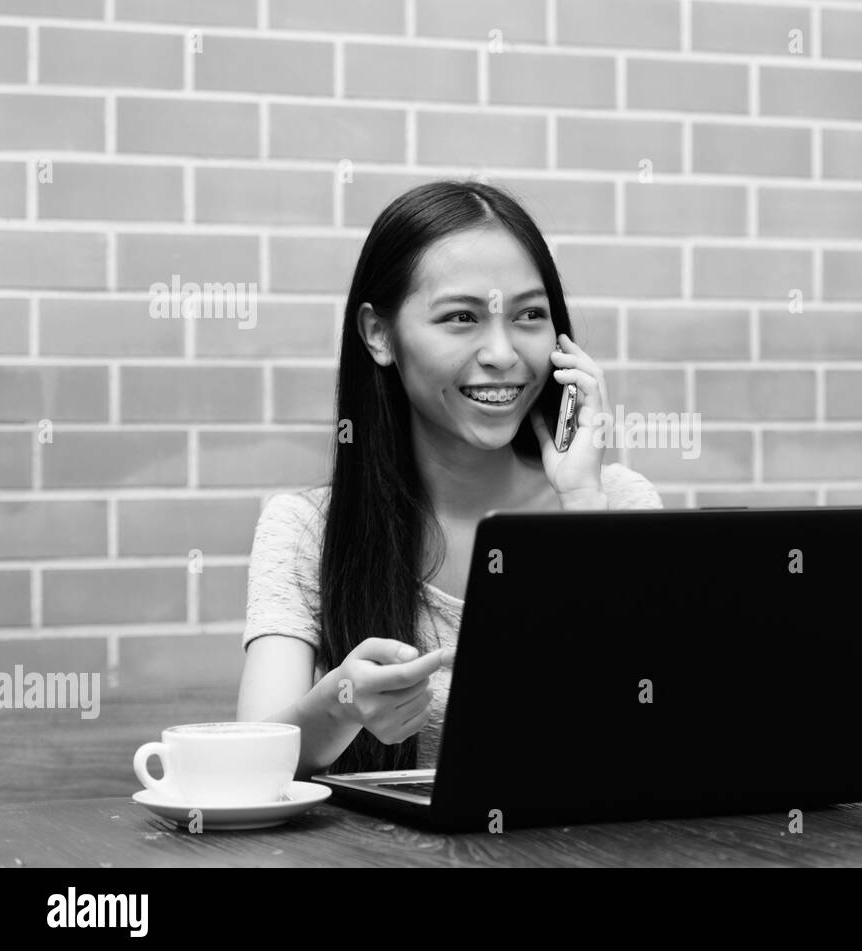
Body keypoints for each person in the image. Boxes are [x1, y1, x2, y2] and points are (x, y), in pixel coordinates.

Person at [235, 180, 662, 779]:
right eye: (461, 317)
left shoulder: (618, 502)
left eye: (529, 316)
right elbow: (252, 760)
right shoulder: (308, 529)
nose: (502, 353)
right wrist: (340, 705)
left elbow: (652, 733)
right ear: (379, 335)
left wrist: (583, 507)